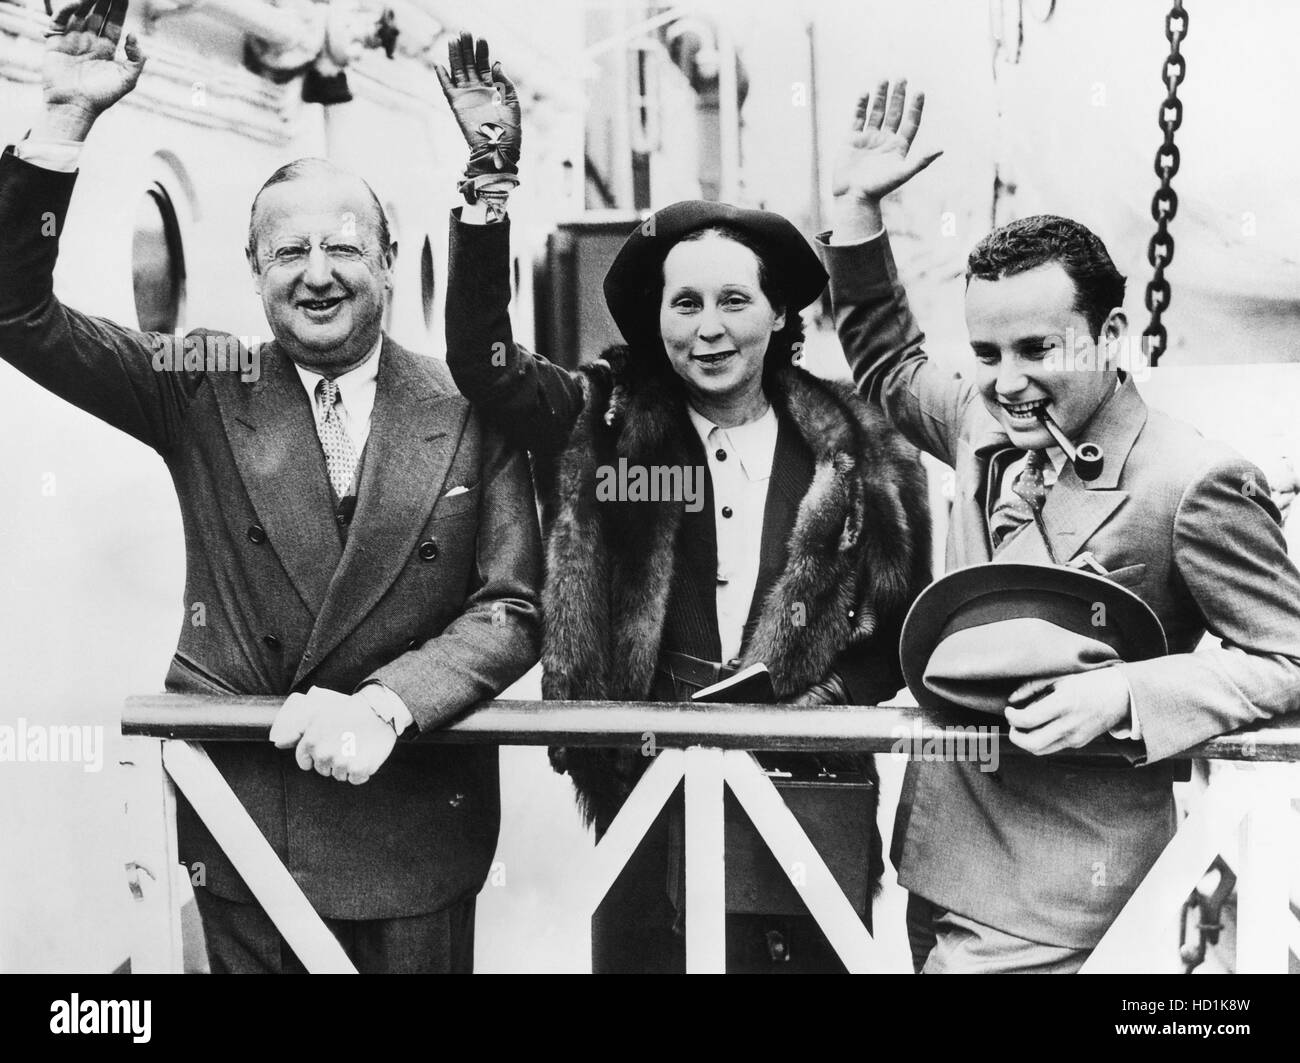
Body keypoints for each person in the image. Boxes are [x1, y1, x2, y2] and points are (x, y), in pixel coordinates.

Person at [0, 1, 542, 973]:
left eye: (345, 248)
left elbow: (509, 607)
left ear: (388, 260)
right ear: (253, 270)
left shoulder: (469, 401)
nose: (317, 274)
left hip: (415, 820)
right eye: (289, 252)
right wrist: (65, 117)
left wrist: (385, 704)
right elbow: (16, 314)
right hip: (248, 820)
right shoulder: (202, 383)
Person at [436, 35, 932, 972]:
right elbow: (483, 362)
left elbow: (897, 630)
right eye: (685, 303)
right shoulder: (601, 420)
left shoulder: (866, 453)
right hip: (644, 792)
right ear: (655, 318)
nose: (709, 329)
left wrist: (797, 712)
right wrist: (488, 187)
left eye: (734, 301)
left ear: (780, 314)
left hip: (808, 801)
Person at [820, 80, 1300, 973]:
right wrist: (856, 210)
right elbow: (888, 360)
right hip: (938, 861)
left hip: (1067, 901)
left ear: (1109, 333)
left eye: (1038, 350)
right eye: (988, 353)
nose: (1007, 382)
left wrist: (1127, 694)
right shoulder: (979, 419)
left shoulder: (1194, 479)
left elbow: (1290, 656)